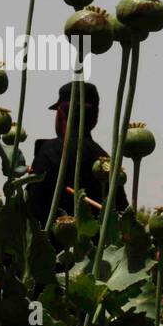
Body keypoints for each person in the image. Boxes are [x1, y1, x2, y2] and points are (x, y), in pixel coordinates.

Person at [26, 81, 129, 223]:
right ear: (95, 119)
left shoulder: (48, 153)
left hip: (52, 243)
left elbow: (31, 214)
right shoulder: (106, 162)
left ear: (61, 114)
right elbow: (122, 215)